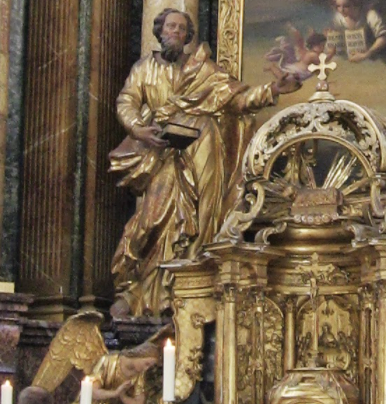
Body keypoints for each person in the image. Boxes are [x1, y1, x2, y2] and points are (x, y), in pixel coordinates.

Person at [109, 9, 302, 317]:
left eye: (181, 28)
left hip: (203, 150)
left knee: (202, 215)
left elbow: (238, 100)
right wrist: (137, 128)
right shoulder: (144, 69)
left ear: (188, 36)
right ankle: (143, 292)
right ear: (159, 32)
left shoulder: (205, 71)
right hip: (161, 153)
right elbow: (126, 101)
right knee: (153, 220)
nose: (175, 31)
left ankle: (191, 286)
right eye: (170, 26)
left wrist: (273, 90)